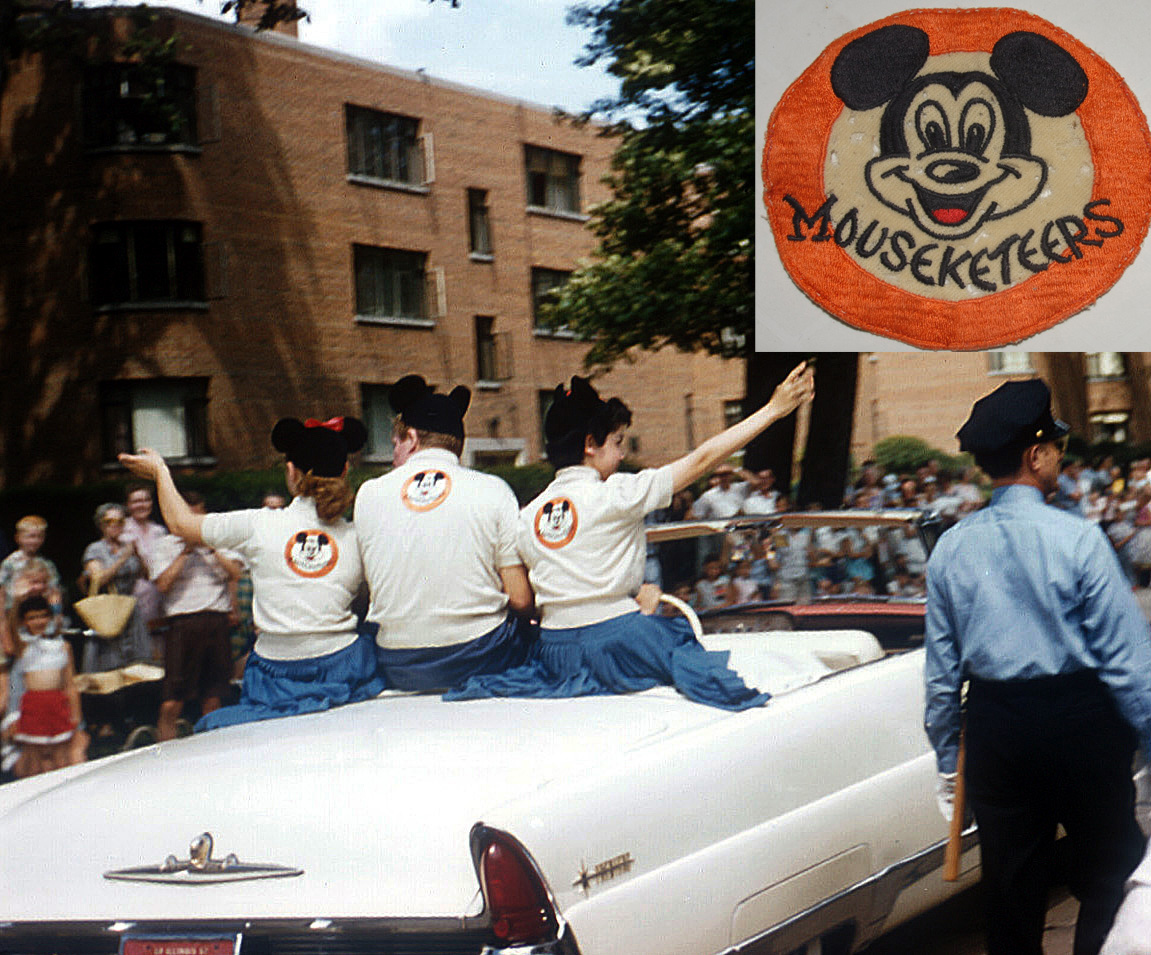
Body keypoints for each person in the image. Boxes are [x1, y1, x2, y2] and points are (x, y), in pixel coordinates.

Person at [924, 378, 1151, 955]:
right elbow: (1127, 663)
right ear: (1035, 454)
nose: (1060, 459)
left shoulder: (950, 546)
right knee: (1107, 875)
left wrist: (951, 762)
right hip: (1080, 721)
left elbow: (941, 672)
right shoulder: (1078, 538)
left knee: (1010, 887)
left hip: (998, 725)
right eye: (1056, 448)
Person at [447, 361, 813, 710]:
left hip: (555, 651)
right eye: (618, 442)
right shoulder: (618, 493)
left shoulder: (526, 516)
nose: (622, 454)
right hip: (621, 640)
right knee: (685, 647)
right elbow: (703, 459)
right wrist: (773, 410)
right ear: (591, 444)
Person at [119, 415, 384, 730]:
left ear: (291, 473)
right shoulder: (359, 535)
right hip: (344, 668)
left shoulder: (259, 524)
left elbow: (181, 525)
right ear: (344, 472)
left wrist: (160, 472)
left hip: (276, 675)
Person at [354, 375, 535, 691]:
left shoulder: (369, 493)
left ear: (411, 438)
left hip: (398, 664)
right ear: (458, 445)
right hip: (481, 656)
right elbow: (520, 599)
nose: (393, 452)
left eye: (395, 443)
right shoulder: (493, 490)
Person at [146, 492, 242, 740]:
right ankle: (165, 752)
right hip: (183, 623)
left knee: (213, 697)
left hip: (216, 621)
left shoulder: (220, 543)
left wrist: (210, 548)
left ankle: (209, 751)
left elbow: (235, 573)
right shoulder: (165, 545)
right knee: (172, 700)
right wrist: (186, 551)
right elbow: (163, 585)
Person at [7, 594, 82, 777]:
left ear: (49, 617)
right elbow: (10, 624)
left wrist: (76, 716)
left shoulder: (62, 647)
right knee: (36, 763)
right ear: (23, 622)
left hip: (57, 705)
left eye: (42, 616)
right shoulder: (22, 646)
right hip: (33, 707)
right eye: (32, 618)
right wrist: (17, 600)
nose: (38, 621)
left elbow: (70, 685)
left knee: (61, 759)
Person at [80, 503, 151, 673]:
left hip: (130, 610)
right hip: (107, 611)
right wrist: (122, 559)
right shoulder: (95, 549)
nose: (114, 525)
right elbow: (99, 579)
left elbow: (146, 576)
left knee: (136, 668)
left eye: (119, 521)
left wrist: (138, 554)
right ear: (101, 524)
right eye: (109, 521)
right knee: (109, 667)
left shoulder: (127, 546)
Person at [121, 483, 167, 647]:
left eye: (146, 500)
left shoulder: (159, 531)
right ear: (128, 505)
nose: (141, 505)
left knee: (156, 648)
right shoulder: (122, 530)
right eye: (136, 501)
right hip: (130, 599)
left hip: (157, 598)